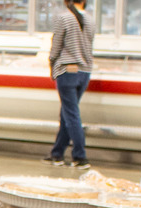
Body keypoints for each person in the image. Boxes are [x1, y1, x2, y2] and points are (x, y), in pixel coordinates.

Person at [46, 0, 94, 168]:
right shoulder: (91, 19)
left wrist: (51, 63)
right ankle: (57, 153)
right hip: (85, 72)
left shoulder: (64, 18)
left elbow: (56, 46)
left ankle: (80, 156)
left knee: (72, 115)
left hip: (67, 71)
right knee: (67, 113)